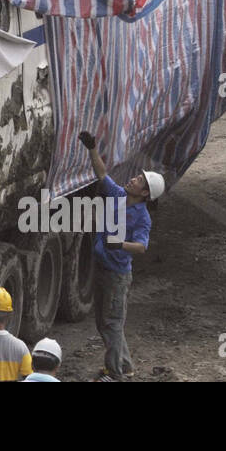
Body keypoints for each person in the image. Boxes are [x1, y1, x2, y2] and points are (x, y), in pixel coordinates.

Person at [79, 130, 164, 382]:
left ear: (145, 194)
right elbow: (102, 174)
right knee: (107, 322)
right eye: (138, 176)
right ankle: (125, 366)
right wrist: (92, 149)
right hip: (104, 269)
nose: (134, 179)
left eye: (140, 181)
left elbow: (141, 247)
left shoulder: (141, 217)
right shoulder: (118, 195)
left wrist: (120, 244)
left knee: (111, 323)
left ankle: (114, 374)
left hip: (117, 276)